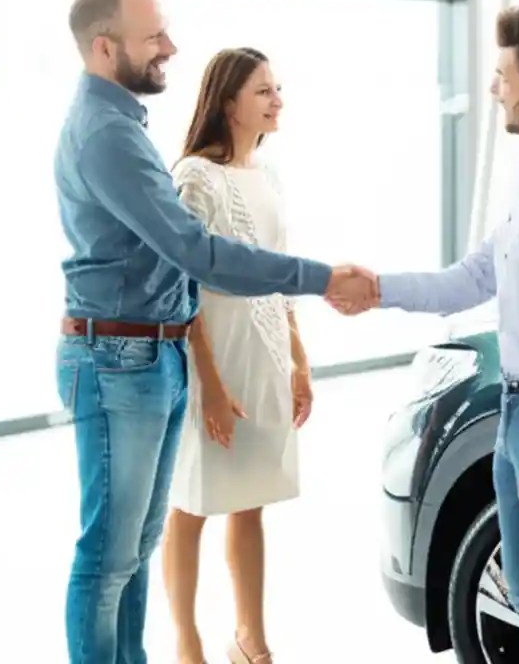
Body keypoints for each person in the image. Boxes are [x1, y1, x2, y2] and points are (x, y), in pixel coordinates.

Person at [54, 0, 374, 664]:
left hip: (148, 355)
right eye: (153, 37)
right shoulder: (108, 137)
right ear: (106, 48)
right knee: (109, 557)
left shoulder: (124, 127)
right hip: (118, 361)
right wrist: (322, 278)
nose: (170, 46)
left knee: (134, 552)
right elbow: (196, 253)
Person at [330, 3, 519, 664]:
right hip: (516, 409)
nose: (495, 87)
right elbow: (471, 279)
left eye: (503, 74)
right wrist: (380, 289)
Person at [157, 46, 308, 664]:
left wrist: (300, 360)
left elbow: (280, 275)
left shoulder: (268, 176)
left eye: (277, 88)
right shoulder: (194, 176)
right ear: (229, 104)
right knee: (192, 502)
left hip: (267, 355)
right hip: (214, 361)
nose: (278, 99)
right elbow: (179, 285)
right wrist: (210, 386)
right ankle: (187, 642)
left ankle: (251, 638)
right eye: (264, 91)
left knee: (252, 501)